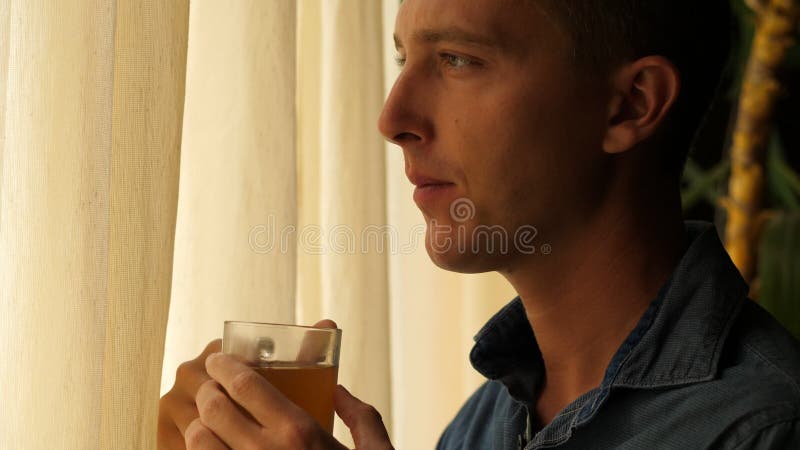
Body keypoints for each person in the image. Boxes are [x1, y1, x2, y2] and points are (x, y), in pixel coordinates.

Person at [158, 0, 800, 449]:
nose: (392, 119)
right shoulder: (482, 425)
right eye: (403, 60)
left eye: (457, 59)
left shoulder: (764, 429)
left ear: (630, 105)